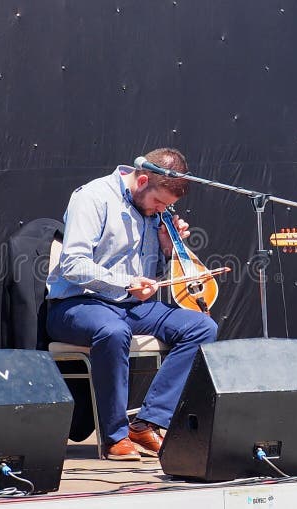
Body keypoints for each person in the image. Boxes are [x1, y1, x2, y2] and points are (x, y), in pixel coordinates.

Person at [46, 147, 218, 460]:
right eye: (159, 203)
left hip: (131, 306)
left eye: (167, 206)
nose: (160, 210)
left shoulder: (154, 211)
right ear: (141, 181)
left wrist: (168, 250)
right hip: (77, 304)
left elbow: (152, 278)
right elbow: (72, 265)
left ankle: (150, 421)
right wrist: (126, 283)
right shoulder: (93, 197)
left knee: (202, 327)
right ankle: (115, 436)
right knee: (112, 331)